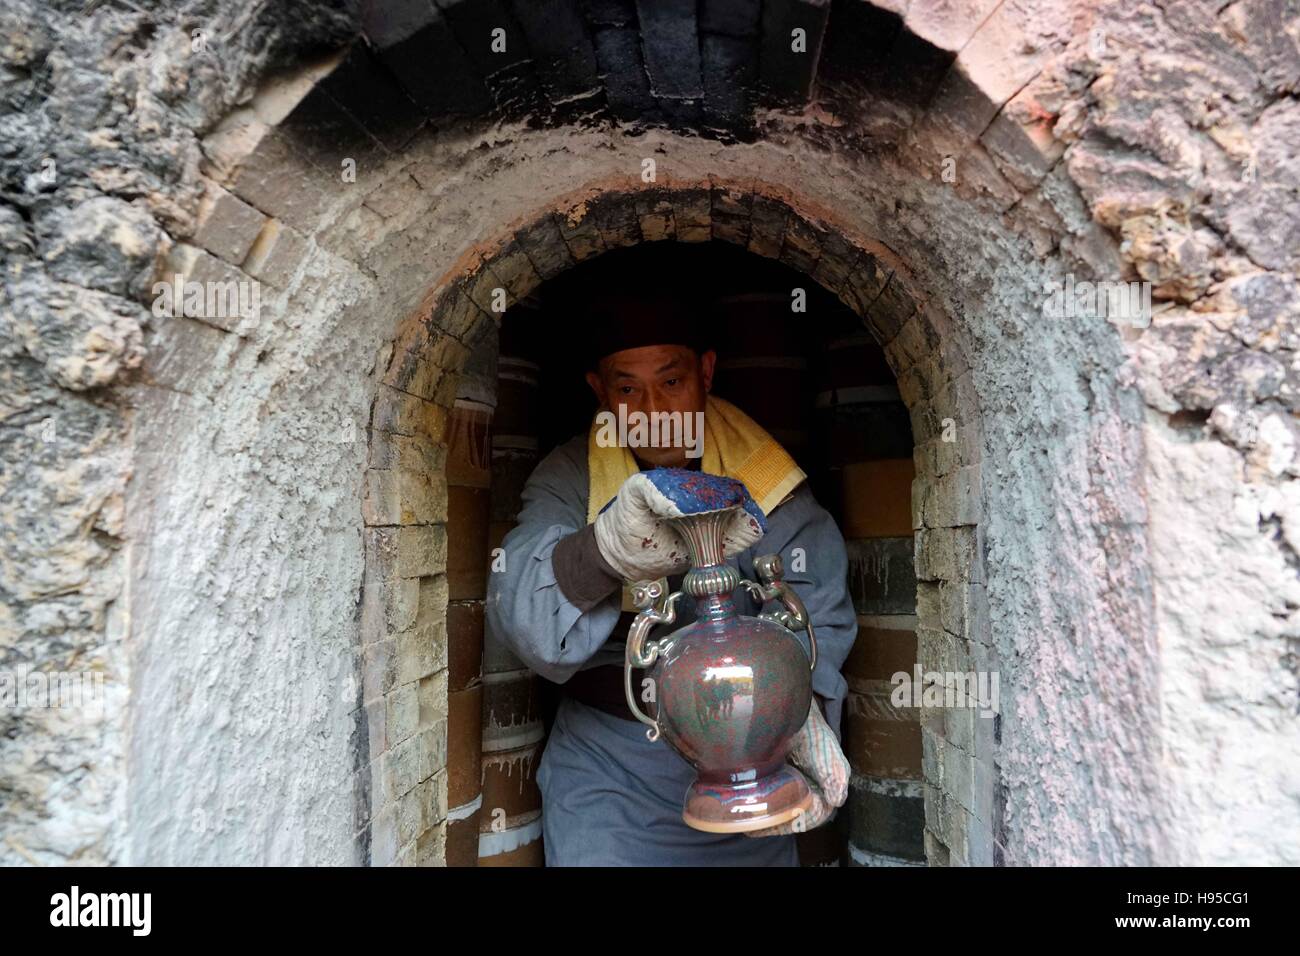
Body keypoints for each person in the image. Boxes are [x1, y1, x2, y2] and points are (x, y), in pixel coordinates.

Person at [484, 291, 857, 866]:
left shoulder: (765, 475)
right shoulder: (570, 474)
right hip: (611, 771)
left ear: (706, 373)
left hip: (748, 760)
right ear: (599, 393)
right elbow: (523, 619)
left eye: (672, 382)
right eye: (628, 389)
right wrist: (604, 551)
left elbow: (821, 610)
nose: (653, 410)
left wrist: (802, 717)